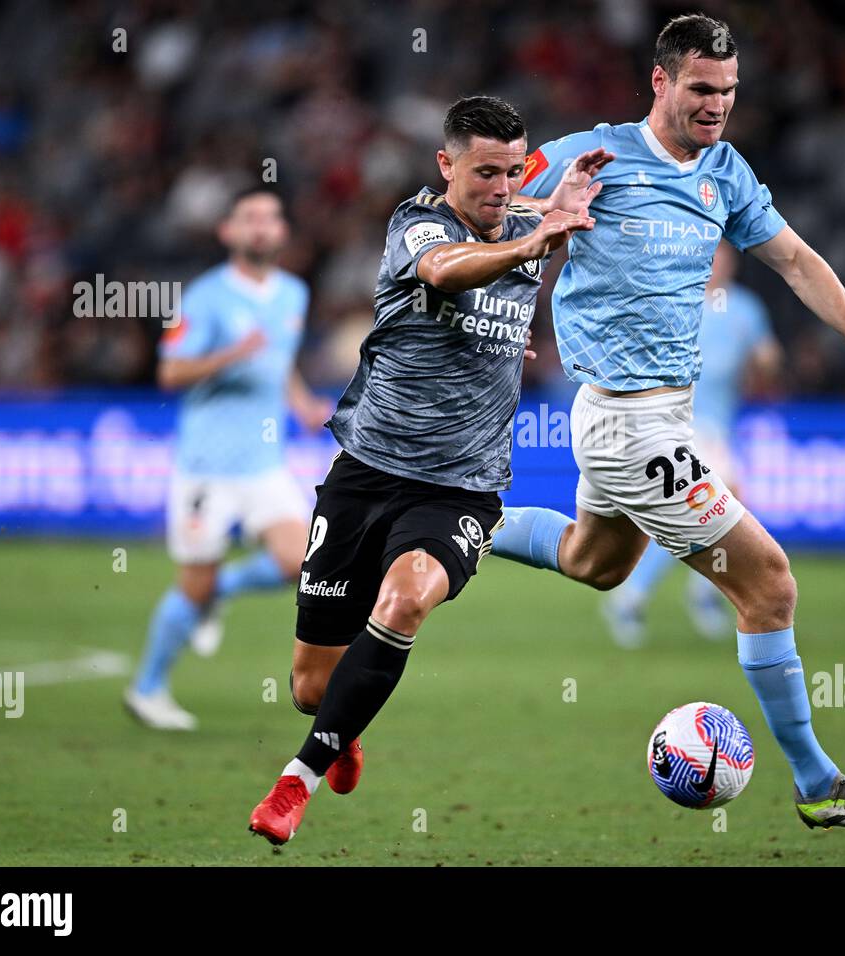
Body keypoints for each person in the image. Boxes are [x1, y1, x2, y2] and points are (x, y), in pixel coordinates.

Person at [492, 14, 845, 833]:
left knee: (596, 563)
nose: (717, 104)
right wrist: (545, 206)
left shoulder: (726, 172)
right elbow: (487, 194)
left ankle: (456, 518)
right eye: (700, 88)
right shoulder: (595, 152)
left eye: (728, 91)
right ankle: (818, 782)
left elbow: (794, 258)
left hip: (663, 417)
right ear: (660, 82)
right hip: (627, 424)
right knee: (769, 584)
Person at [247, 96, 603, 845]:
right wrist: (540, 237)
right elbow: (446, 272)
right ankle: (340, 728)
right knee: (313, 688)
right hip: (364, 474)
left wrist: (559, 210)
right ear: (445, 165)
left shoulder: (524, 219)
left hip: (461, 490)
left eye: (513, 171)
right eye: (483, 172)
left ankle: (296, 779)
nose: (500, 187)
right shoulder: (418, 227)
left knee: (407, 600)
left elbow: (539, 221)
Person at [125, 187, 333, 731]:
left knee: (305, 562)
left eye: (272, 217)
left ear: (283, 232)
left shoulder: (292, 293)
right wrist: (229, 356)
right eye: (249, 218)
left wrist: (302, 401)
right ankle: (148, 689)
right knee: (191, 581)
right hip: (207, 468)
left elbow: (279, 362)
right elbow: (170, 374)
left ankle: (221, 591)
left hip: (264, 464)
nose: (262, 227)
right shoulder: (205, 298)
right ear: (228, 233)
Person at [602, 241, 782, 646]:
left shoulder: (745, 310)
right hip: (679, 425)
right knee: (726, 501)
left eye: (725, 259)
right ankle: (690, 593)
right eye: (711, 258)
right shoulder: (675, 303)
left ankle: (647, 594)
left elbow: (767, 359)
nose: (719, 266)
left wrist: (766, 365)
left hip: (719, 427)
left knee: (702, 515)